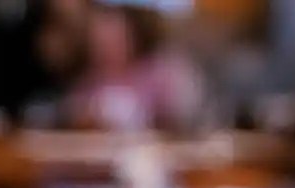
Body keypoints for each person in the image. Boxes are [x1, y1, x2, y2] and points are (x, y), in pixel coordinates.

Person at [66, 4, 202, 131]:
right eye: (100, 42)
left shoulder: (157, 74)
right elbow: (73, 119)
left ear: (131, 38)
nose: (107, 47)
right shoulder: (89, 82)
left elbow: (179, 120)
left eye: (115, 39)